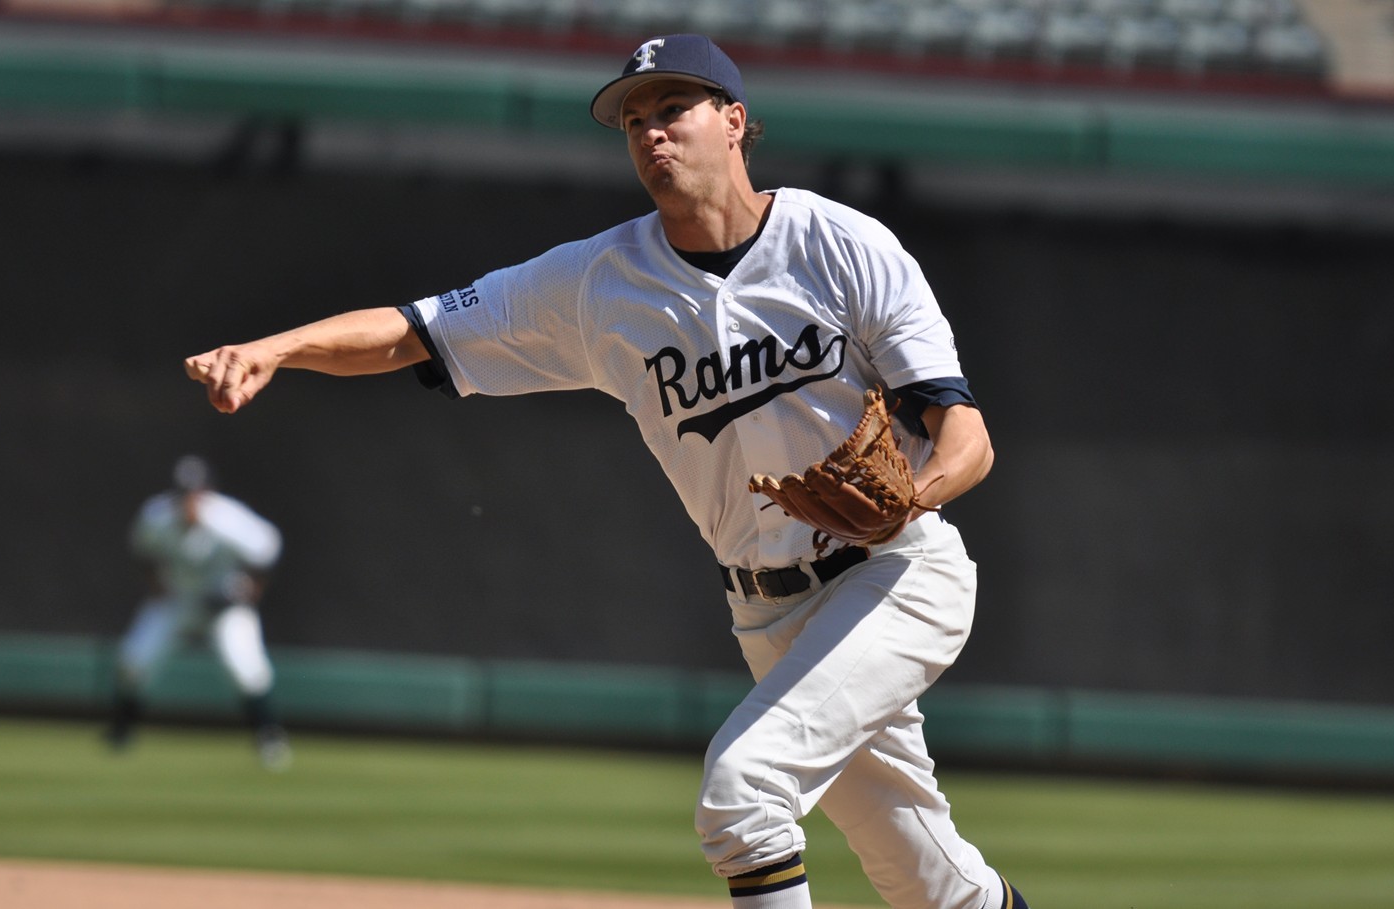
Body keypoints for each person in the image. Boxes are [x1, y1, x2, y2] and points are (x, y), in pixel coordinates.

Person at [184, 33, 1027, 909]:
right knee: (929, 881)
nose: (651, 131)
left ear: (734, 121)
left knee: (742, 795)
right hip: (767, 611)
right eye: (633, 121)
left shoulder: (841, 244)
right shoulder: (600, 283)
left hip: (897, 575)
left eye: (673, 108)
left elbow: (965, 435)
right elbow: (415, 331)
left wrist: (910, 498)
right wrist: (275, 348)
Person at [105, 454, 292, 772]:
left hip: (223, 605)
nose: (190, 502)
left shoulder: (227, 519)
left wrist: (251, 590)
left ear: (208, 494)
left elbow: (268, 547)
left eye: (196, 494)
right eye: (184, 495)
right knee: (134, 660)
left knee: (246, 669)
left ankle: (269, 736)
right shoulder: (157, 516)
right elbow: (143, 552)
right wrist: (157, 586)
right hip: (178, 599)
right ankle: (121, 732)